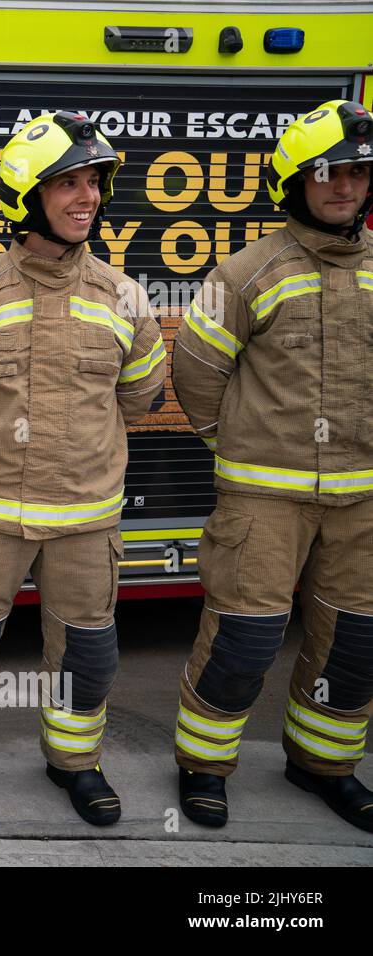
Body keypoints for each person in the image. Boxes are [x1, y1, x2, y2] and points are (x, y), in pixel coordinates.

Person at [0, 113, 166, 826]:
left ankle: (74, 764)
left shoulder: (124, 297)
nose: (87, 197)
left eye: (93, 184)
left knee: (88, 654)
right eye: (68, 184)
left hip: (85, 518)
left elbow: (141, 394)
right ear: (27, 197)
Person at [171, 100, 373, 833]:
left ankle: (323, 766)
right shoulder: (248, 272)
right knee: (243, 637)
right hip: (262, 500)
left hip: (363, 503)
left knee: (352, 643)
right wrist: (238, 449)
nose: (344, 186)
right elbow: (194, 372)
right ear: (294, 182)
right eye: (327, 173)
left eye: (357, 171)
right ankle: (201, 766)